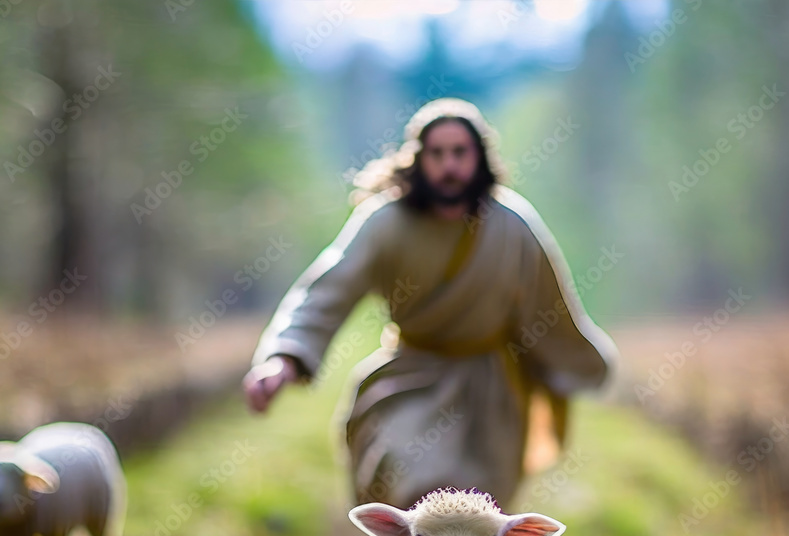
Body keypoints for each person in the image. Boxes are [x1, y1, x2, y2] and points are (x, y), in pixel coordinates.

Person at [242, 98, 619, 510]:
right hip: (409, 380)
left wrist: (586, 365)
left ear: (480, 157)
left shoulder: (515, 227)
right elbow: (327, 290)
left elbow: (551, 312)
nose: (449, 166)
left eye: (460, 153)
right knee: (412, 488)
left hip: (491, 395)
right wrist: (284, 359)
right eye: (437, 154)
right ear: (418, 160)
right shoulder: (385, 222)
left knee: (479, 518)